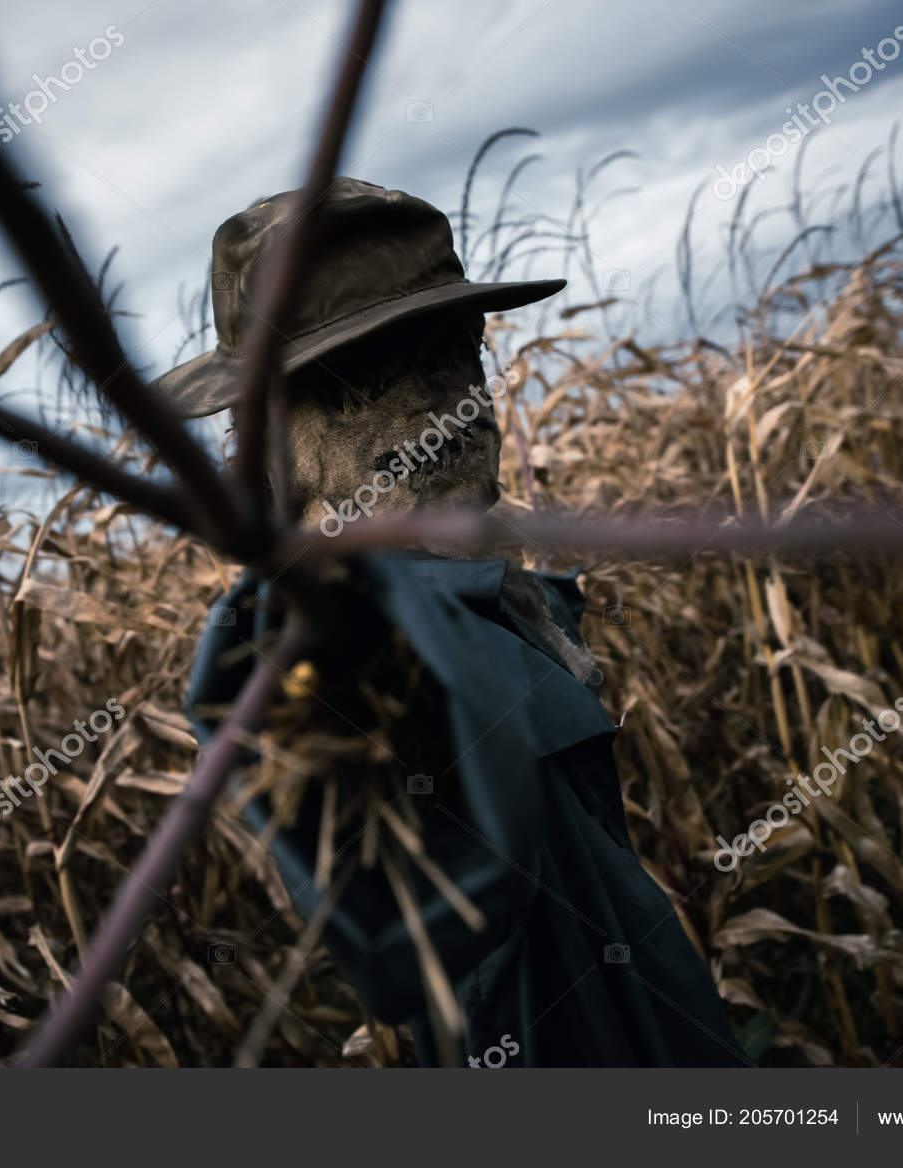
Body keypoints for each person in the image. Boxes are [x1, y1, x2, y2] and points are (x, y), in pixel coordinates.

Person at [163, 178, 746, 1067]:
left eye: (456, 355)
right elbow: (403, 938)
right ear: (276, 433)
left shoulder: (493, 594)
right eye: (370, 381)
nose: (447, 409)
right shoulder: (345, 645)